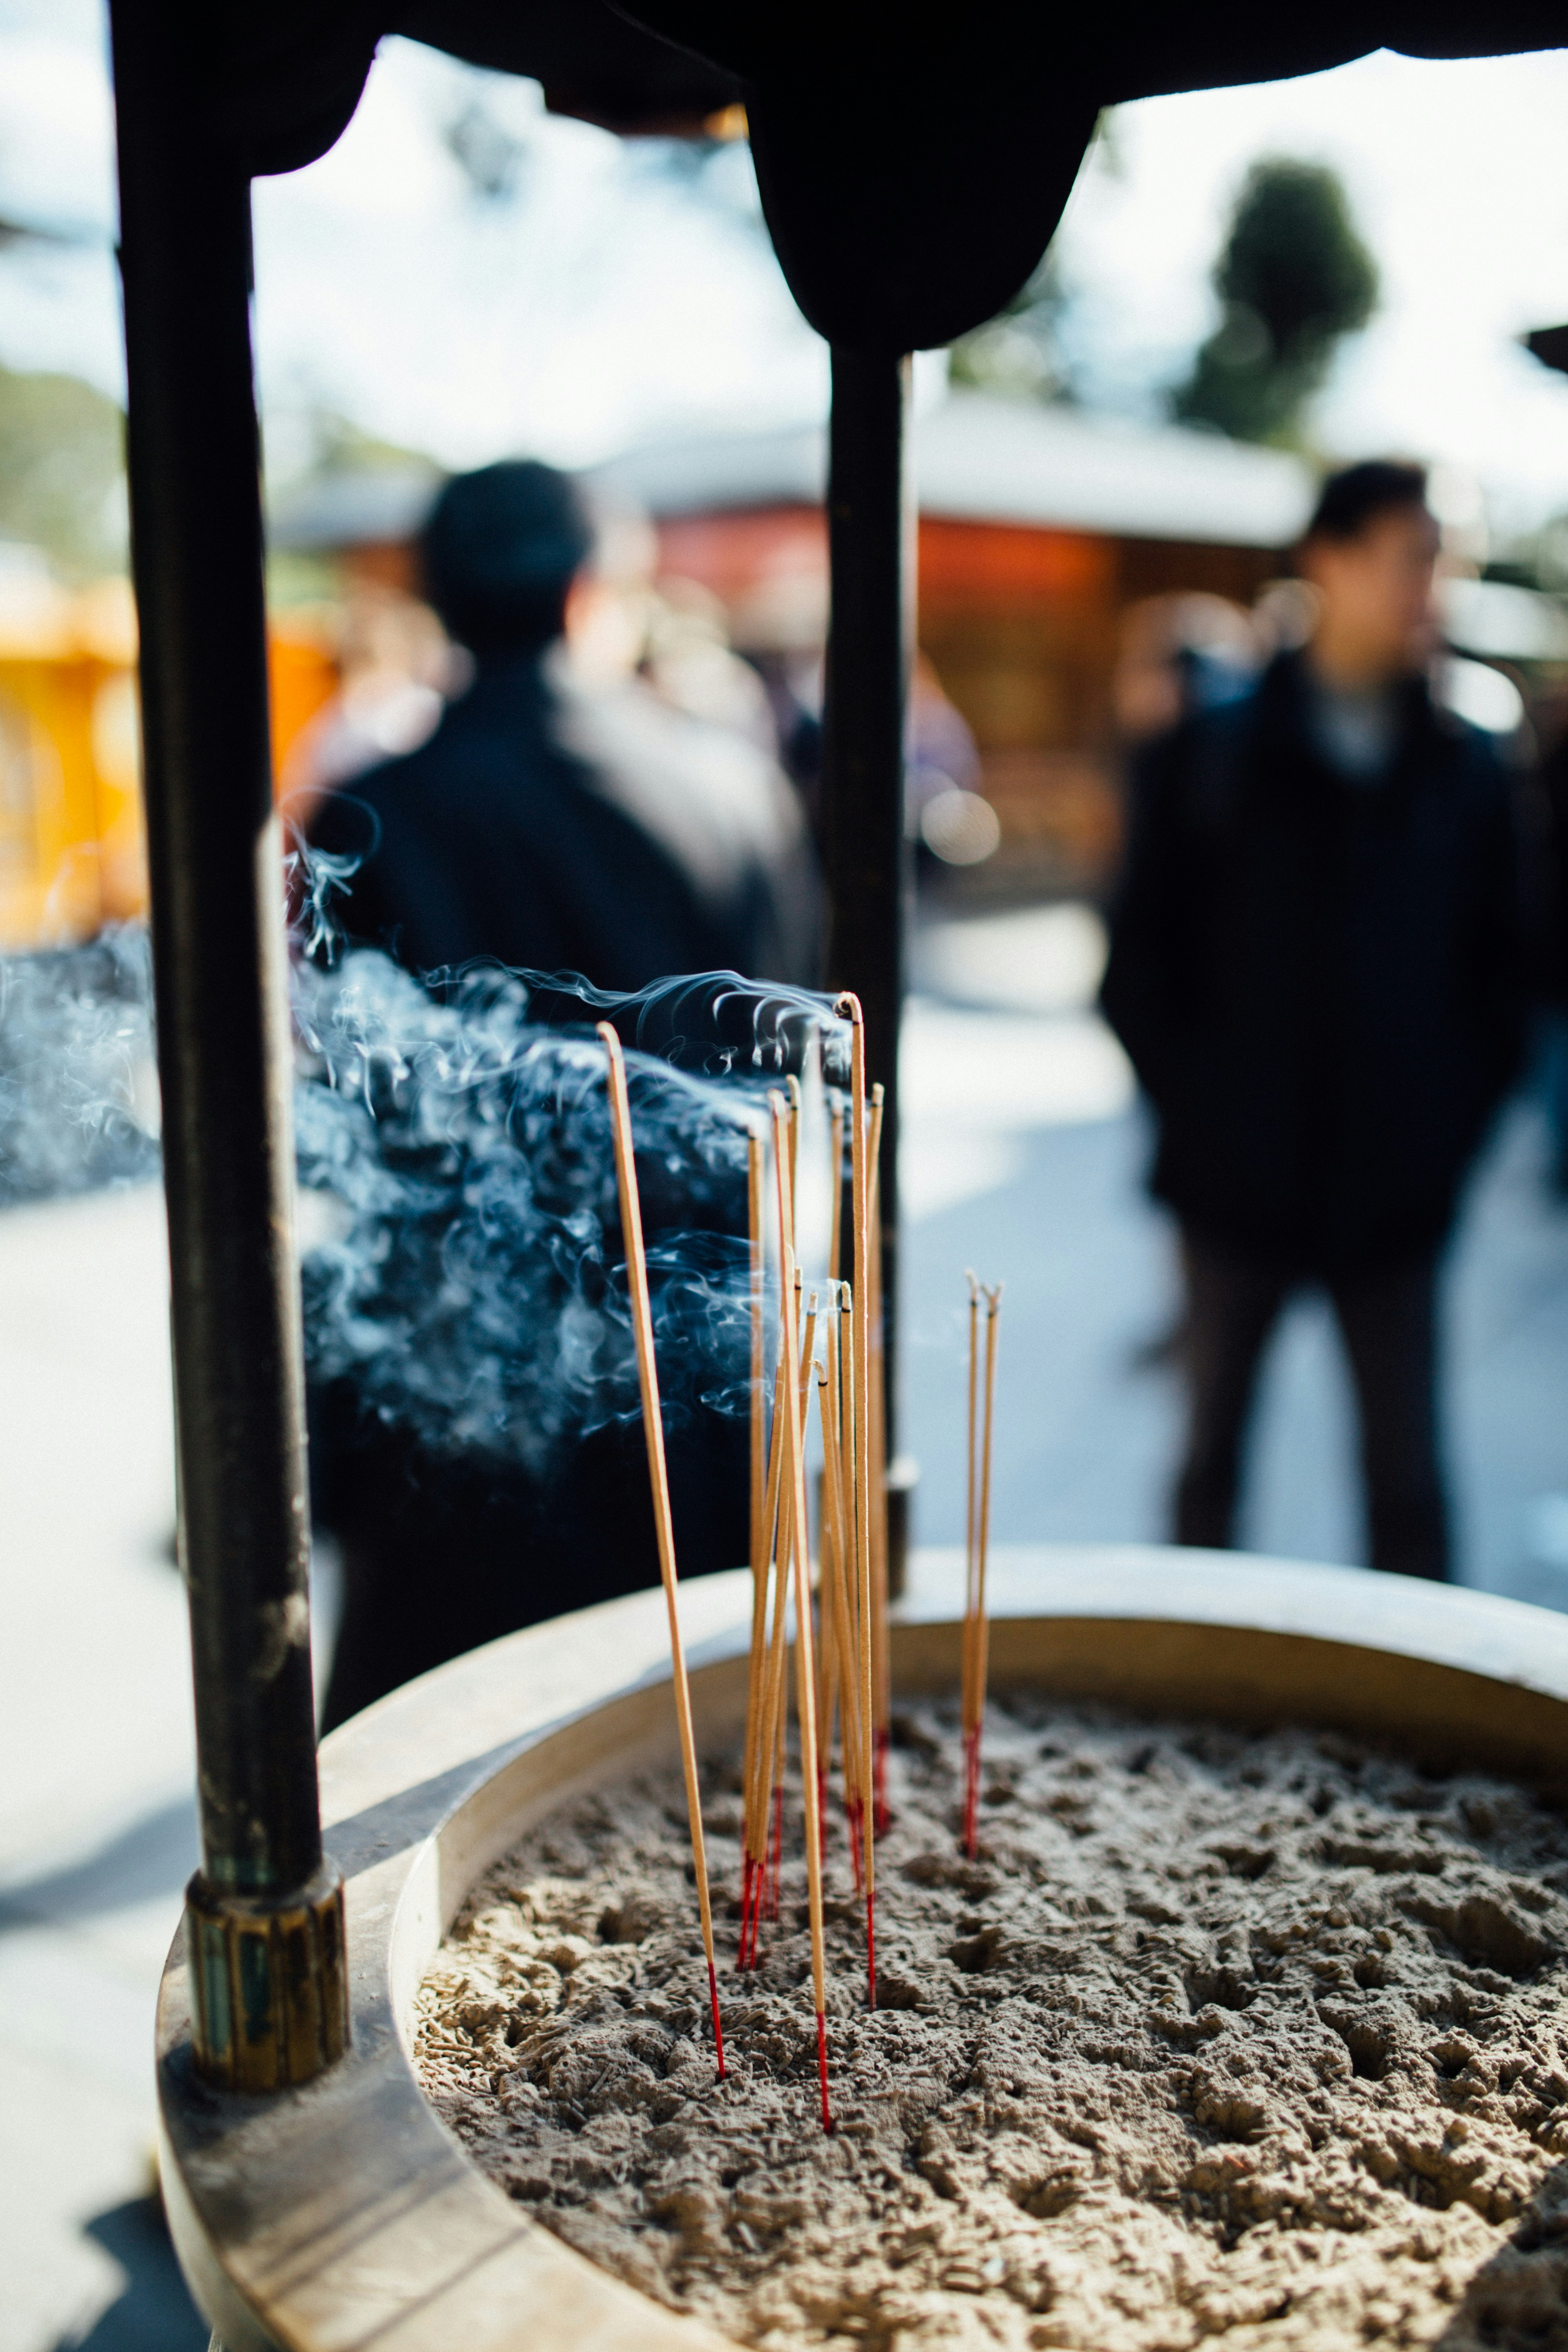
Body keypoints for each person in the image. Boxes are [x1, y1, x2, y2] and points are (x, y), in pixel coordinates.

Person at [1101, 461, 1527, 1582]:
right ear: (1328, 560)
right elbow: (1138, 967)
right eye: (1412, 556)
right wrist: (1202, 1118)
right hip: (1231, 1189)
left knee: (1408, 1487)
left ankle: (1428, 1737)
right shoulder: (1214, 748)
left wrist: (1445, 1139)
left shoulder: (1468, 753)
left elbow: (1512, 970)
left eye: (1445, 562)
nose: (1432, 587)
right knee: (1210, 1471)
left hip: (1396, 1195)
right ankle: (1192, 1710)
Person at [307, 459, 819, 988]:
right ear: (584, 594)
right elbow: (788, 1019)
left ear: (437, 599)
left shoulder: (367, 822)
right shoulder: (736, 788)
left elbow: (345, 1040)